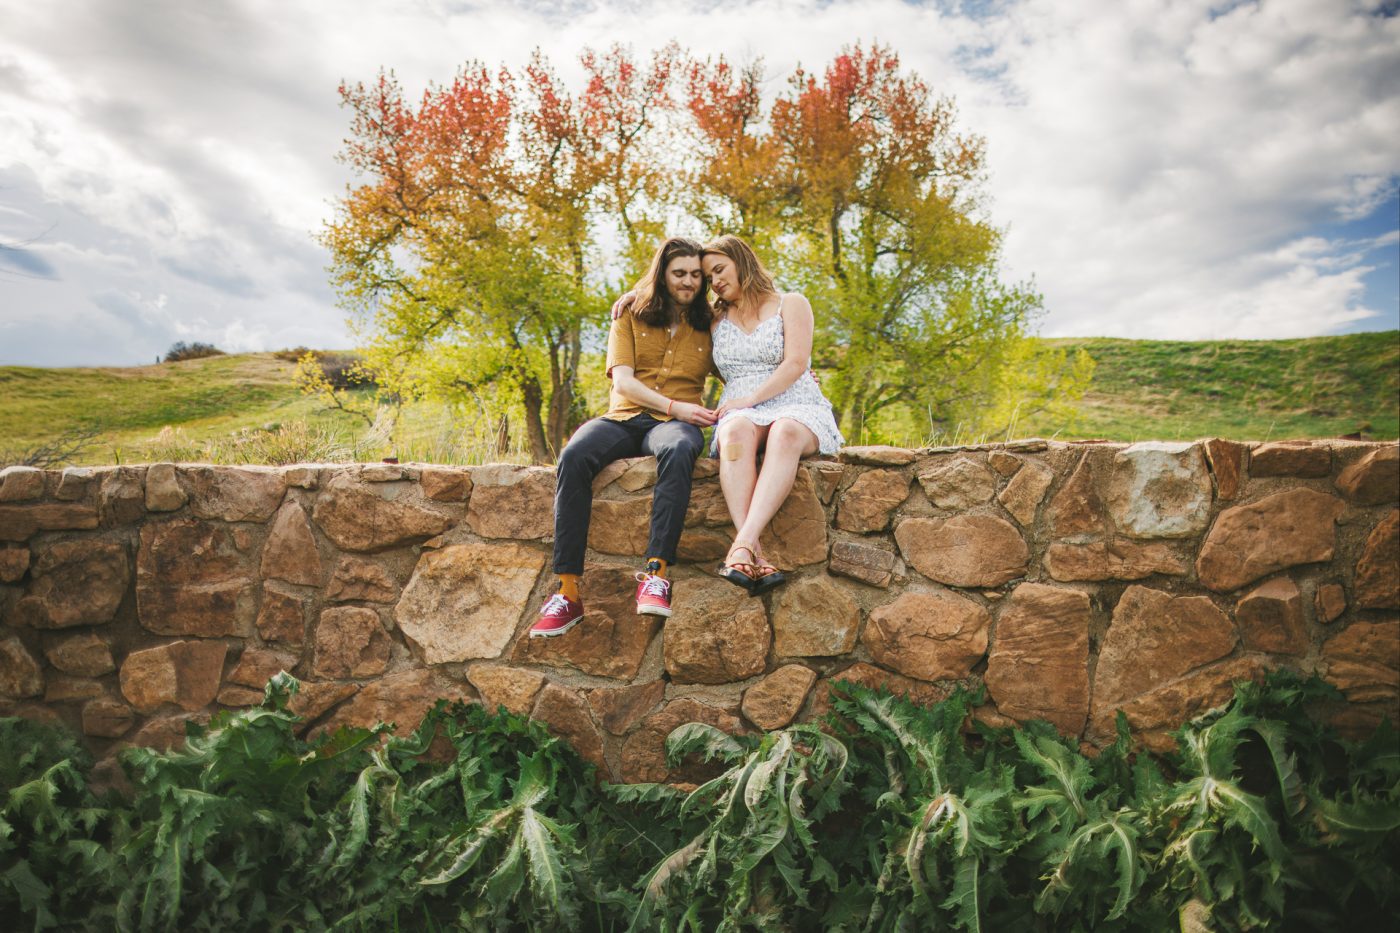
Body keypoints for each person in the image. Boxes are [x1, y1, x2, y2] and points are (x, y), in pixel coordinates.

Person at [531, 237, 718, 637]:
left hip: (672, 429)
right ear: (663, 275)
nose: (688, 282)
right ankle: (567, 593)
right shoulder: (630, 313)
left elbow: (746, 360)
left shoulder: (713, 323)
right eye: (679, 273)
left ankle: (657, 575)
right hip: (624, 417)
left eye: (696, 275)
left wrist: (796, 375)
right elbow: (625, 383)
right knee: (575, 454)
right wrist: (677, 407)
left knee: (684, 447)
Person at [701, 234, 843, 594]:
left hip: (795, 400)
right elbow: (666, 309)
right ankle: (754, 555)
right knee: (733, 436)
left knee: (784, 433)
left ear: (742, 262)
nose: (714, 281)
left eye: (719, 269)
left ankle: (741, 544)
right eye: (708, 277)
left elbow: (795, 363)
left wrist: (751, 398)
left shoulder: (791, 304)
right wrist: (632, 298)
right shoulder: (715, 320)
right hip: (741, 408)